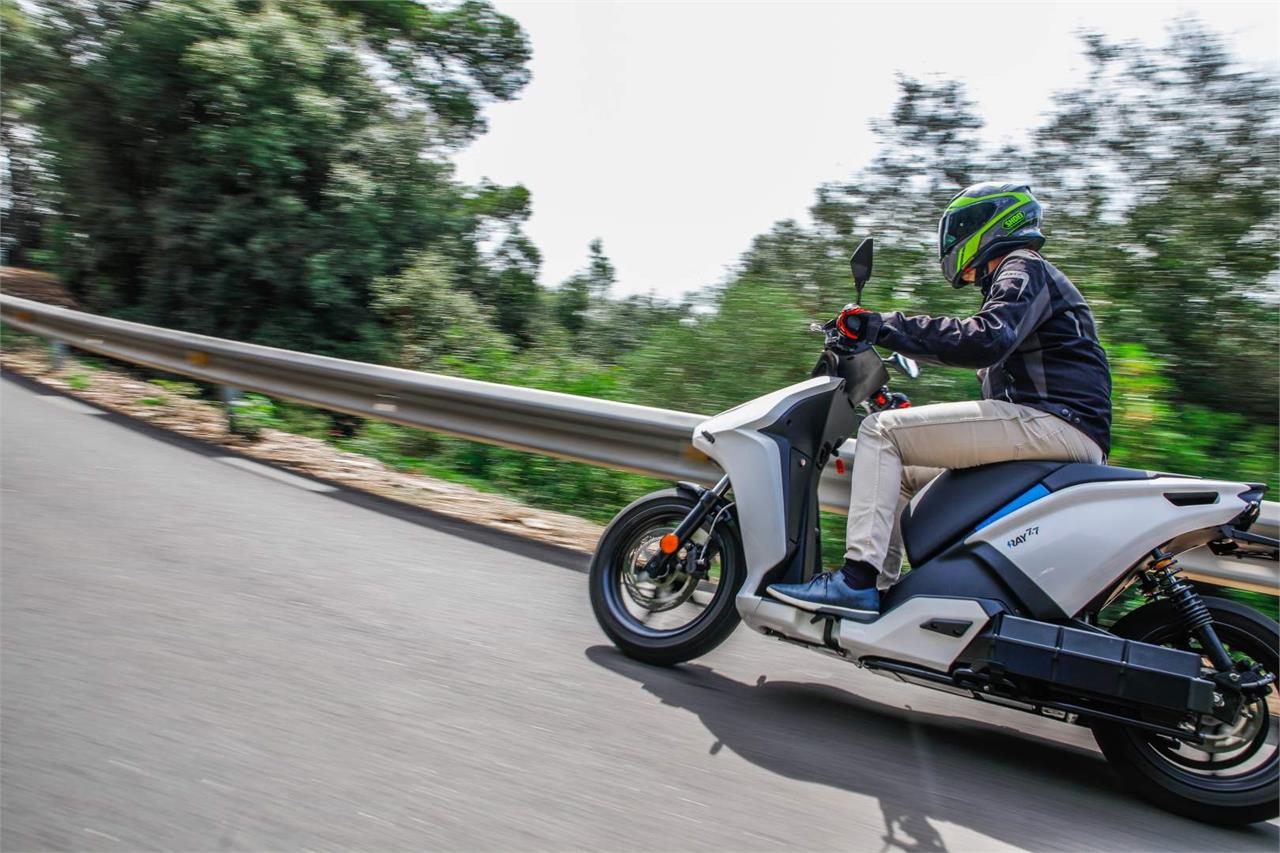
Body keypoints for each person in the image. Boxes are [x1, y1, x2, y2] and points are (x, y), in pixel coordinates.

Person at [767, 181, 1112, 618]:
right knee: (907, 470)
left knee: (881, 433)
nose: (954, 244)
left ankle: (856, 582)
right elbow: (988, 358)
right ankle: (881, 593)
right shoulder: (1028, 279)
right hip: (1056, 425)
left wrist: (880, 325)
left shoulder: (1022, 266)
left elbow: (983, 340)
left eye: (962, 228)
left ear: (994, 222)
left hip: (1055, 423)